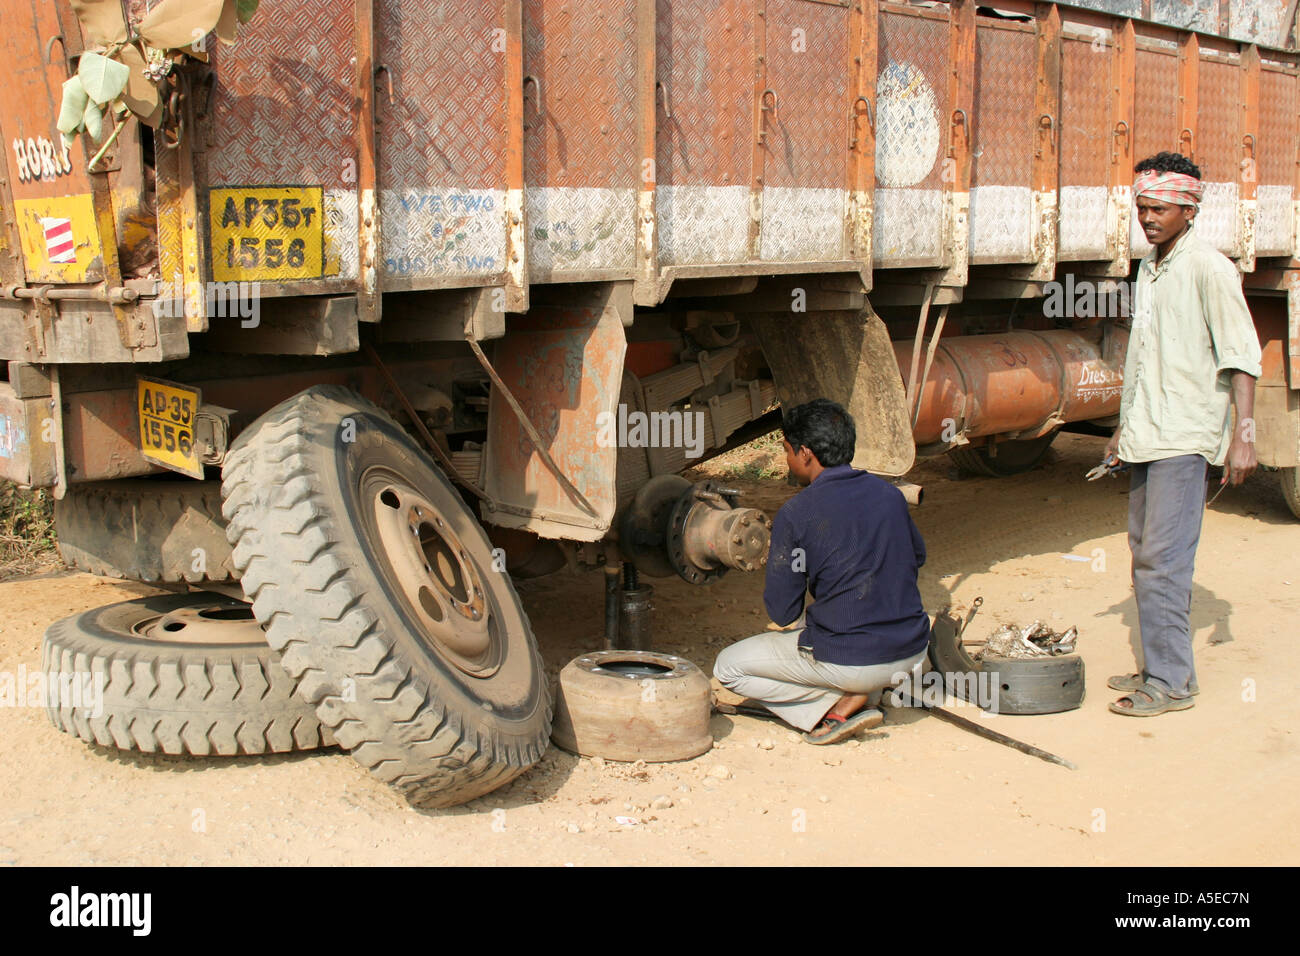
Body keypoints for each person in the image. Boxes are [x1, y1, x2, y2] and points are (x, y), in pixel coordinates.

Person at [1104, 151, 1262, 716]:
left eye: (1160, 209)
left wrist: (1243, 435)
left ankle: (1171, 682)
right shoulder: (1148, 268)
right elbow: (1144, 357)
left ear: (1188, 210)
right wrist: (1122, 428)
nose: (1148, 218)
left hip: (1184, 436)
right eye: (1143, 208)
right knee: (1144, 552)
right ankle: (1159, 665)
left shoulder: (1209, 268)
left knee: (1162, 561)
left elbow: (1241, 358)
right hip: (1148, 433)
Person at [713, 399, 931, 744]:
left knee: (728, 667)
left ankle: (831, 708)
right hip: (913, 652)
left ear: (805, 454)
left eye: (787, 451)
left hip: (852, 661)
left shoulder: (796, 513)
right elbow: (916, 558)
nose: (787, 460)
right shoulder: (889, 496)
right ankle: (867, 688)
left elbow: (782, 612)